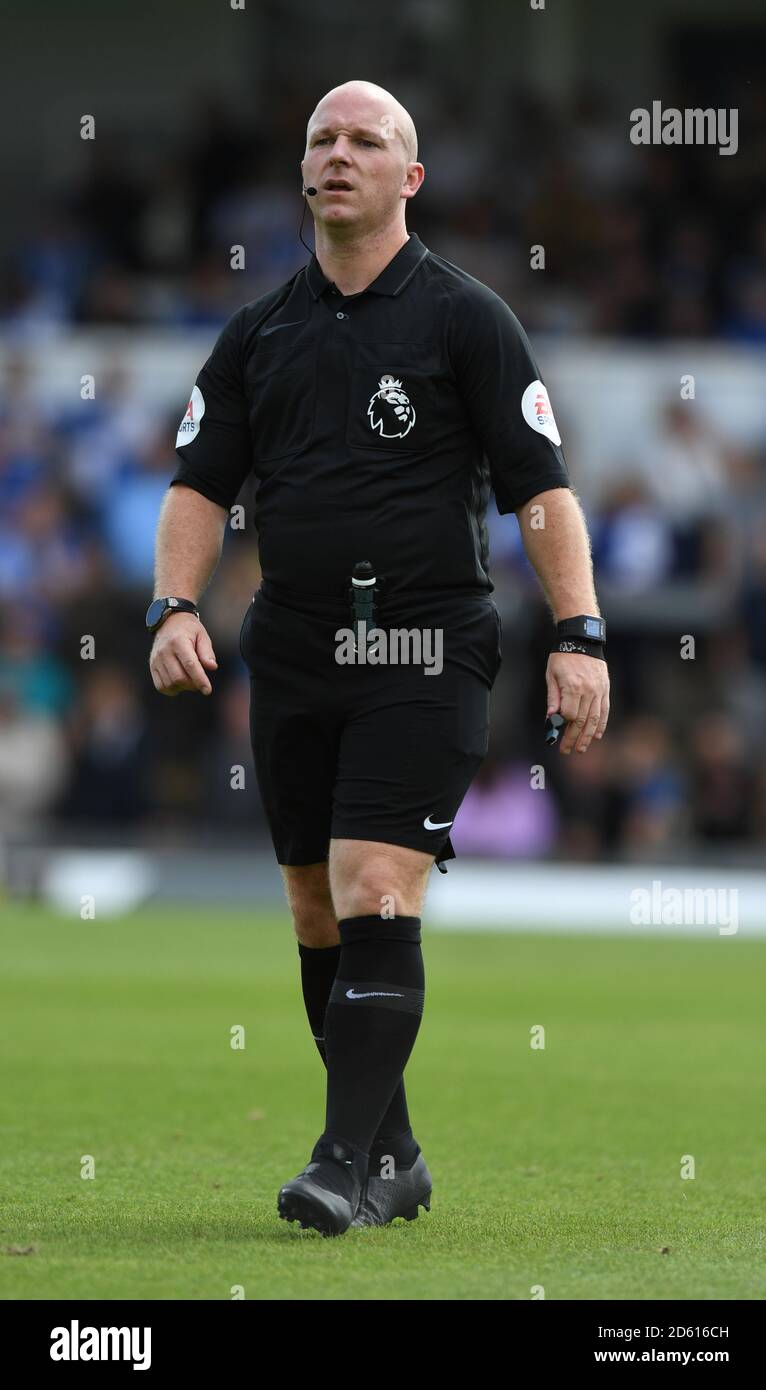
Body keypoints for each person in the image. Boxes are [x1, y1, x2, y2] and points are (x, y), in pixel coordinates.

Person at [148, 80, 610, 1236]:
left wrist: (579, 631)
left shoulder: (466, 319)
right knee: (314, 907)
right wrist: (170, 605)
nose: (338, 154)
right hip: (296, 647)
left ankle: (337, 1161)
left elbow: (539, 491)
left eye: (367, 141)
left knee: (373, 883)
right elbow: (199, 485)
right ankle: (393, 1153)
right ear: (302, 174)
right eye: (321, 140)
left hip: (424, 642)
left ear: (410, 179)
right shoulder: (258, 333)